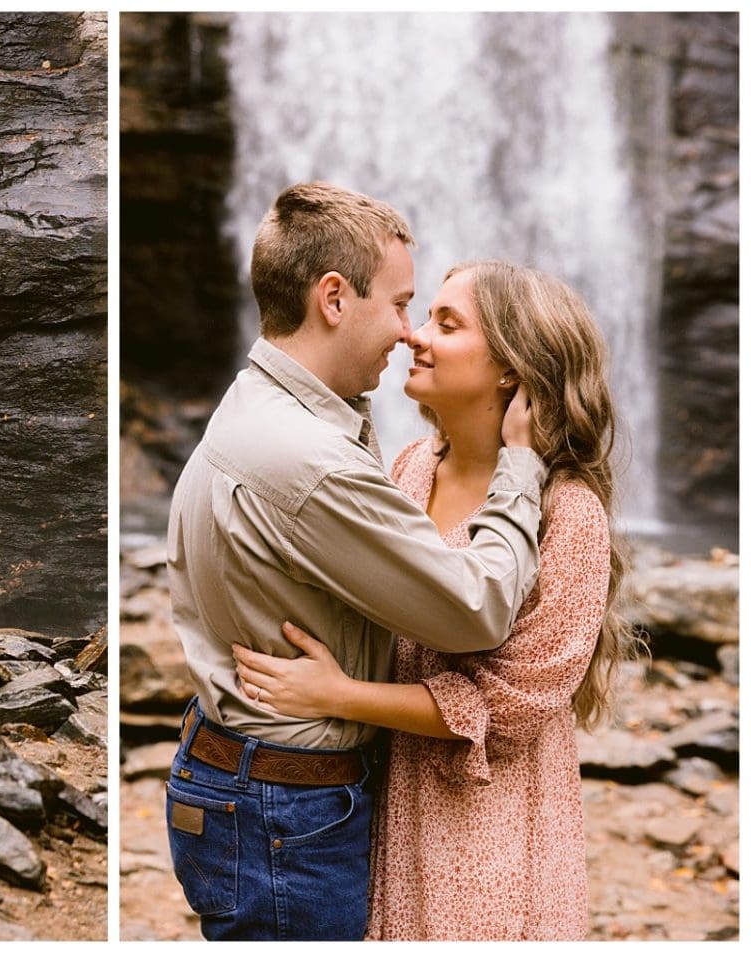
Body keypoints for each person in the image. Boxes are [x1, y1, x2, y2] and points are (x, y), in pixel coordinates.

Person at [163, 182, 550, 940]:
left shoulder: (262, 407)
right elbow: (475, 609)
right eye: (403, 304)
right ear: (333, 298)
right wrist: (522, 468)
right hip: (284, 812)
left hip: (253, 789)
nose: (409, 334)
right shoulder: (310, 458)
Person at [231, 260, 635, 940]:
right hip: (388, 805)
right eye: (424, 316)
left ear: (512, 369)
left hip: (493, 832)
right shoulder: (412, 465)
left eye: (445, 324)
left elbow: (507, 707)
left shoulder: (570, 514)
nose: (414, 336)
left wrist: (335, 693)